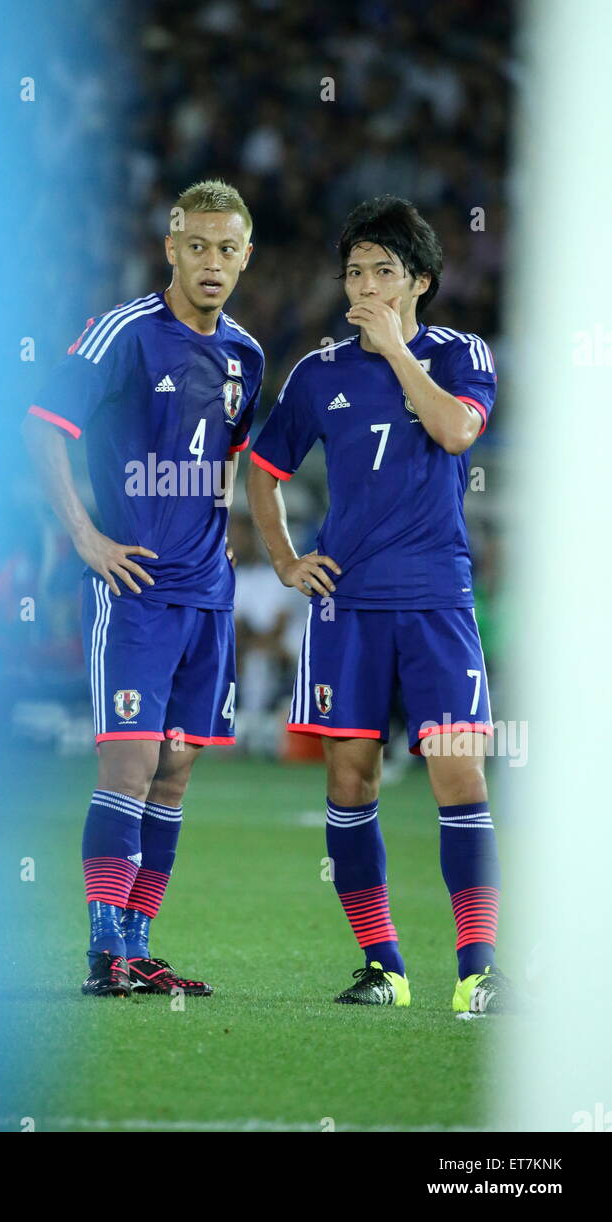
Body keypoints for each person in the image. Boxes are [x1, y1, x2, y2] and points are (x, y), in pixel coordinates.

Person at [248, 194, 509, 1014]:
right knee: (350, 781)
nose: (364, 285)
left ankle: (478, 971)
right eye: (354, 272)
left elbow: (458, 433)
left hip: (438, 602)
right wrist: (286, 560)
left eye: (383, 272)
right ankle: (383, 968)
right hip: (347, 609)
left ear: (420, 281)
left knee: (460, 777)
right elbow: (264, 467)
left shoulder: (462, 353)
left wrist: (397, 351)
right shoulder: (318, 373)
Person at [23, 179, 264, 996]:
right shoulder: (124, 332)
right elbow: (42, 424)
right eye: (196, 245)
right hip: (134, 595)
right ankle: (101, 956)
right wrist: (86, 537)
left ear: (245, 258)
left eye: (227, 249)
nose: (211, 262)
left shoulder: (248, 355)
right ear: (170, 248)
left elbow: (222, 459)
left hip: (208, 599)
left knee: (173, 772)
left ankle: (137, 945)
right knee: (127, 767)